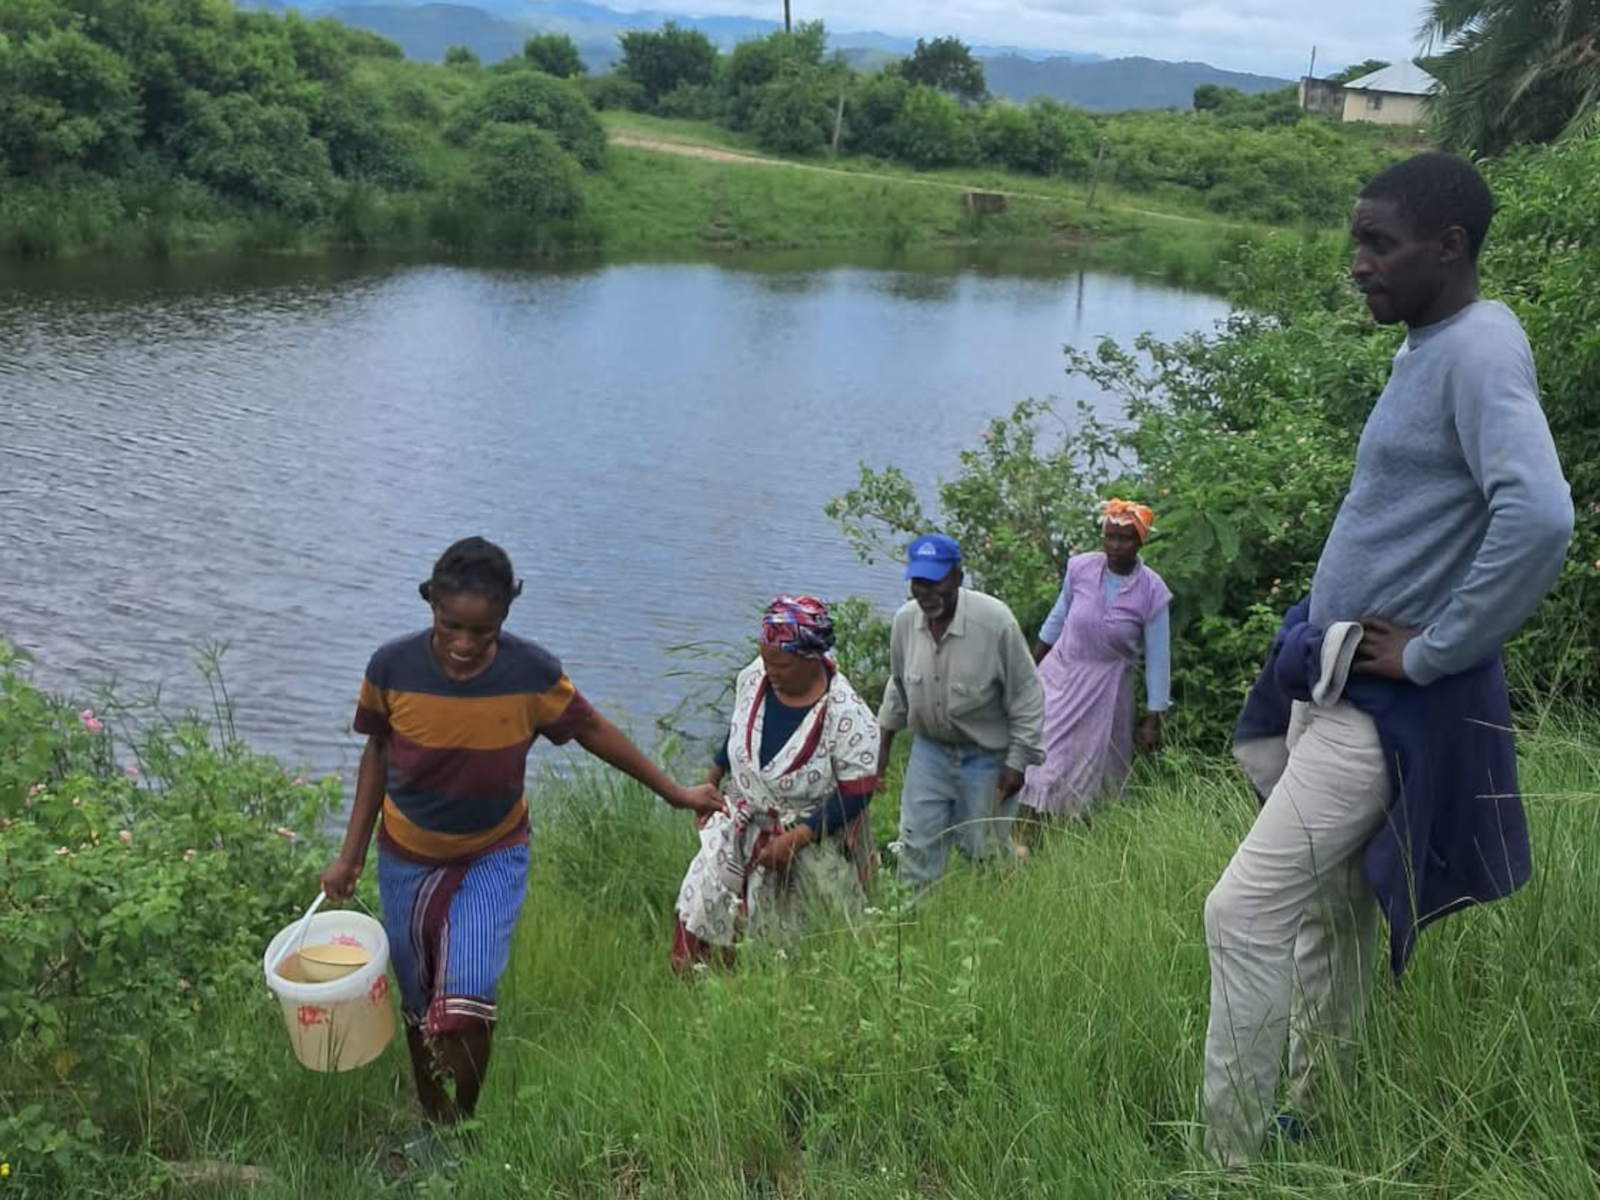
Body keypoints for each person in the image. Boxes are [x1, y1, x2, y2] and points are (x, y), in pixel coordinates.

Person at [1195, 153, 1574, 1172]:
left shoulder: (1479, 349)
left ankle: (1224, 1165)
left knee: (1240, 910)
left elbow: (1538, 516)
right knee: (1331, 916)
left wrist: (1441, 646)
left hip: (1380, 707)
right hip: (1337, 679)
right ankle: (1316, 1120)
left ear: (1447, 248)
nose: (1356, 264)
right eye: (1353, 241)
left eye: (1378, 244)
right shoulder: (1436, 340)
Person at [320, 537, 721, 1148]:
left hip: (492, 854)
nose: (462, 643)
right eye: (450, 624)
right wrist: (350, 855)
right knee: (418, 1000)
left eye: (481, 632)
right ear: (430, 604)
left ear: (506, 616)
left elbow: (590, 729)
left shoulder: (530, 674)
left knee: (469, 998)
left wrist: (674, 792)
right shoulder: (391, 668)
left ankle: (463, 1128)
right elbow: (377, 752)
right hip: (405, 858)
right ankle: (433, 1125)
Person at [672, 596, 881, 969]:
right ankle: (697, 996)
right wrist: (714, 776)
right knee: (701, 912)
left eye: (780, 664)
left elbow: (856, 793)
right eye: (765, 659)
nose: (770, 671)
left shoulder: (847, 715)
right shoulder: (755, 676)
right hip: (741, 823)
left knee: (799, 948)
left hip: (809, 840)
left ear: (810, 659)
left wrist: (798, 837)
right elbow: (740, 732)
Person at [878, 533, 1045, 888]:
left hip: (988, 755)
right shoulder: (905, 622)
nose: (926, 592)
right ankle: (910, 926)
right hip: (929, 751)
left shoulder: (996, 622)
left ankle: (1001, 912)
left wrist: (1017, 762)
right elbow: (898, 687)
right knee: (916, 846)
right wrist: (881, 757)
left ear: (956, 576)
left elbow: (1028, 694)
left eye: (935, 581)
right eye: (918, 582)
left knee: (982, 848)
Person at [1020, 498, 1171, 824]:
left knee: (1094, 767)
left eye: (1125, 538)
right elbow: (1056, 620)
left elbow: (1159, 658)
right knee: (1046, 760)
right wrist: (1029, 669)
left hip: (1108, 690)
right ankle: (1026, 840)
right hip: (1061, 677)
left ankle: (1076, 839)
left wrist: (1154, 717)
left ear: (1140, 541)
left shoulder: (1152, 590)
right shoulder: (1081, 569)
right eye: (1110, 537)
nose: (1115, 546)